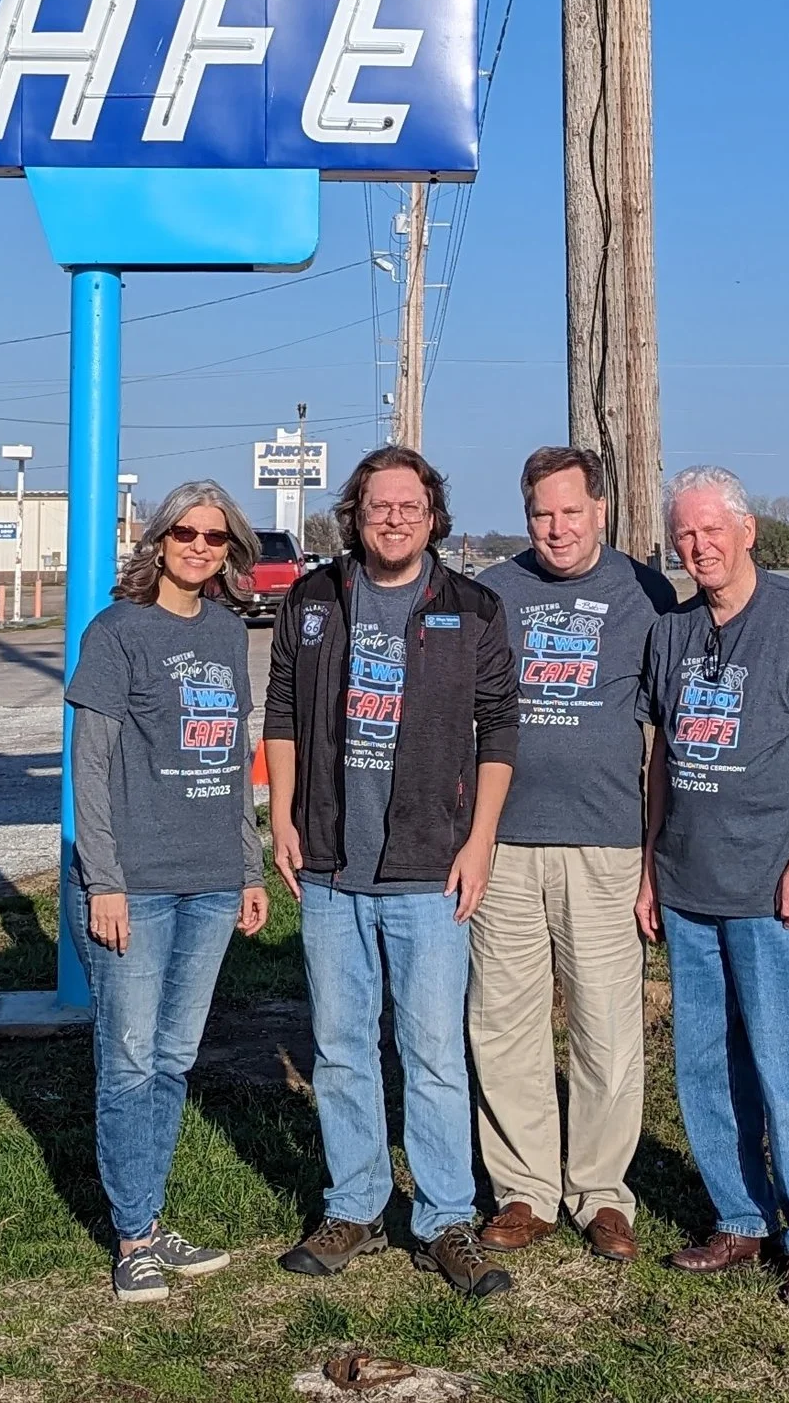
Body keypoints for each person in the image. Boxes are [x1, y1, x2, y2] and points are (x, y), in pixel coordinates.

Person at [263, 444, 521, 1299]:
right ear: (356, 513)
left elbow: (499, 732)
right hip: (334, 867)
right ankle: (356, 1205)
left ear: (434, 516)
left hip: (429, 868)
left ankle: (447, 1218)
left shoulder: (473, 609)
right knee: (339, 1050)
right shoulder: (311, 600)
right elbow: (284, 717)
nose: (394, 518)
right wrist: (285, 818)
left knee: (434, 1052)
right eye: (379, 505)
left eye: (410, 505)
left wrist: (478, 841)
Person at [638, 465, 789, 1313]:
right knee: (705, 1065)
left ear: (746, 533)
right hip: (690, 888)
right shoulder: (671, 633)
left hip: (779, 891)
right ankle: (738, 1217)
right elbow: (661, 753)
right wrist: (648, 863)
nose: (697, 548)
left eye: (710, 532)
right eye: (684, 536)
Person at [467, 447, 677, 1262]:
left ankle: (601, 1194)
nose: (556, 529)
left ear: (602, 510)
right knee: (504, 1023)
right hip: (506, 847)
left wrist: (655, 853)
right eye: (541, 514)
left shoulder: (645, 592)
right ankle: (524, 1191)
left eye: (570, 512)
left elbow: (663, 731)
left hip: (607, 843)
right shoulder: (495, 593)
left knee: (608, 1026)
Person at [65, 480, 271, 1304]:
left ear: (230, 551)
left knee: (176, 1059)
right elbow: (90, 768)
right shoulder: (117, 633)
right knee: (129, 1063)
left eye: (214, 538)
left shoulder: (226, 633)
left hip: (211, 883)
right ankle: (133, 1237)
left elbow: (233, 764)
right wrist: (103, 881)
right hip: (136, 888)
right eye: (184, 532)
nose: (197, 547)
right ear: (157, 541)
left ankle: (151, 1218)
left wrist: (249, 869)